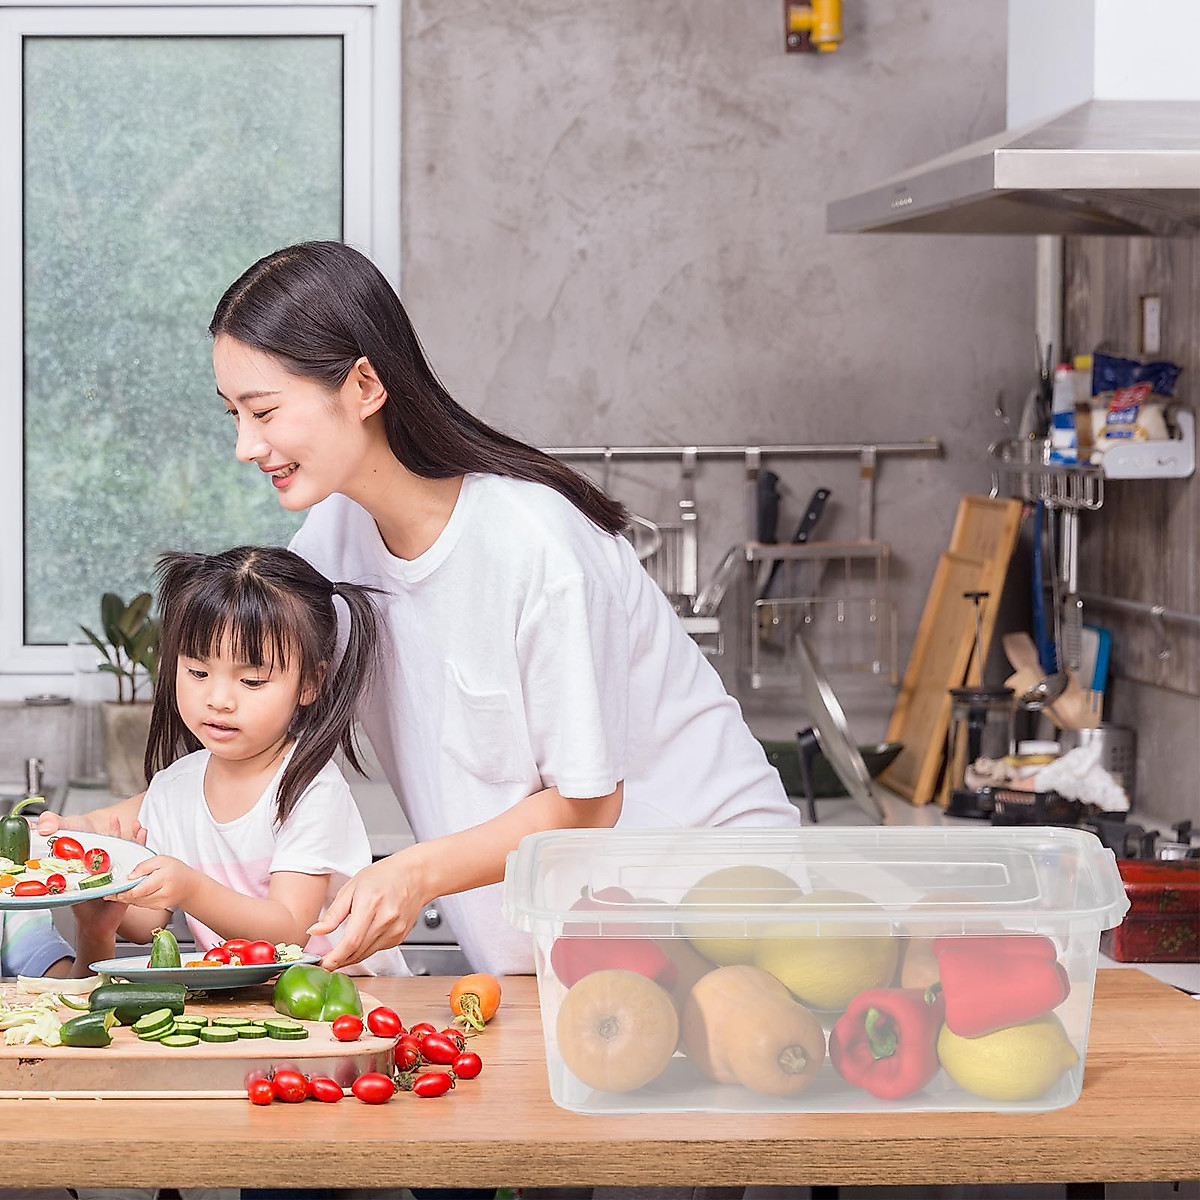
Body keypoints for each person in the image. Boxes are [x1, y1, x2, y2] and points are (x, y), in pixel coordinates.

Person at [46, 239, 798, 980]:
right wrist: (114, 831)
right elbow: (257, 707)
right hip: (565, 960)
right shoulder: (332, 543)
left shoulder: (537, 548)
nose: (246, 445)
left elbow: (586, 808)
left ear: (365, 386)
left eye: (264, 411)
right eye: (232, 415)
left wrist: (412, 874)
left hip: (716, 916)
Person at [100, 545, 406, 976]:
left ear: (310, 683)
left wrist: (189, 887)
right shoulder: (173, 789)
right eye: (198, 673)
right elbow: (149, 920)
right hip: (257, 1004)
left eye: (252, 680)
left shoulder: (310, 788)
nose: (219, 700)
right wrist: (106, 891)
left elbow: (289, 932)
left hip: (346, 1001)